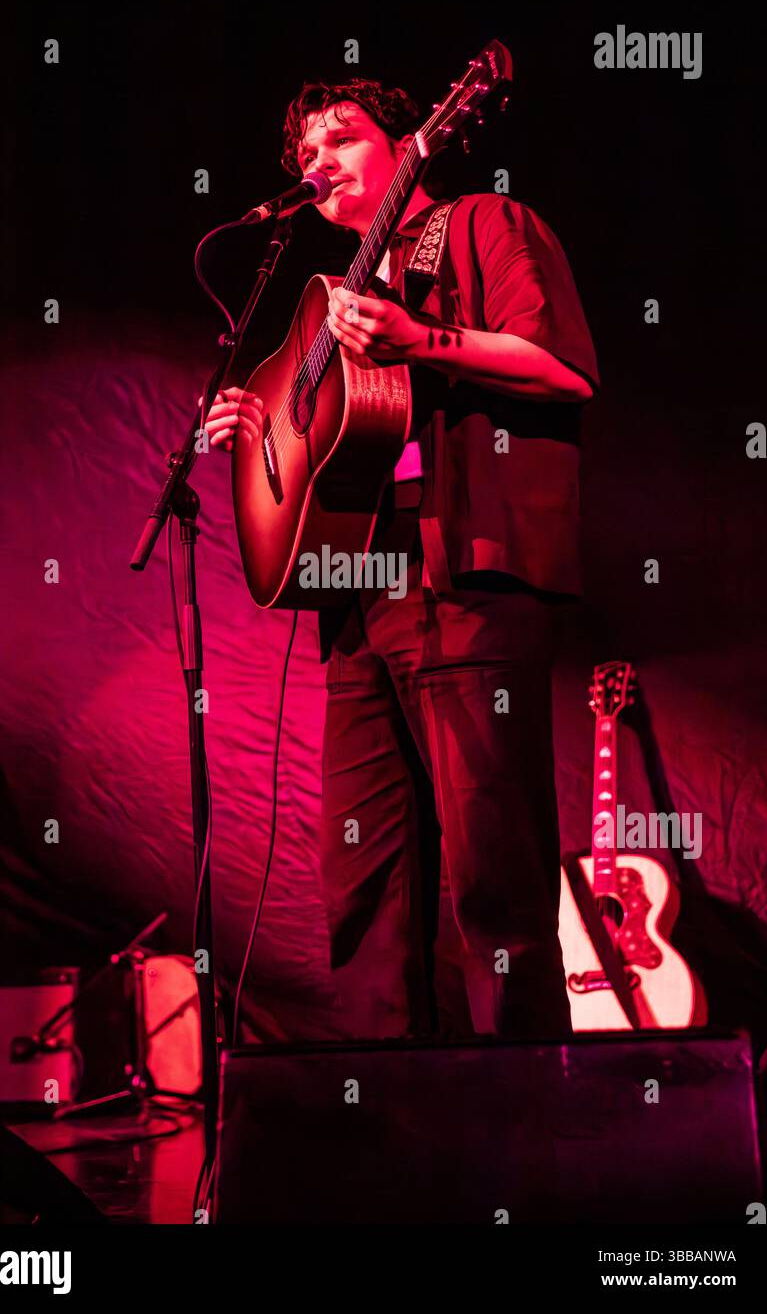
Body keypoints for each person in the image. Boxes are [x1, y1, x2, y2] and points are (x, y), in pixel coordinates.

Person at [205, 77, 599, 1041]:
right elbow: (340, 441)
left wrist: (424, 337)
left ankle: (524, 1129)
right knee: (369, 895)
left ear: (411, 142)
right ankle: (390, 1132)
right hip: (360, 593)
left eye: (341, 138)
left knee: (494, 887)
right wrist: (265, 433)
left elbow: (567, 369)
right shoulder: (331, 303)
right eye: (304, 157)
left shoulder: (480, 223)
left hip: (463, 575)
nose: (318, 164)